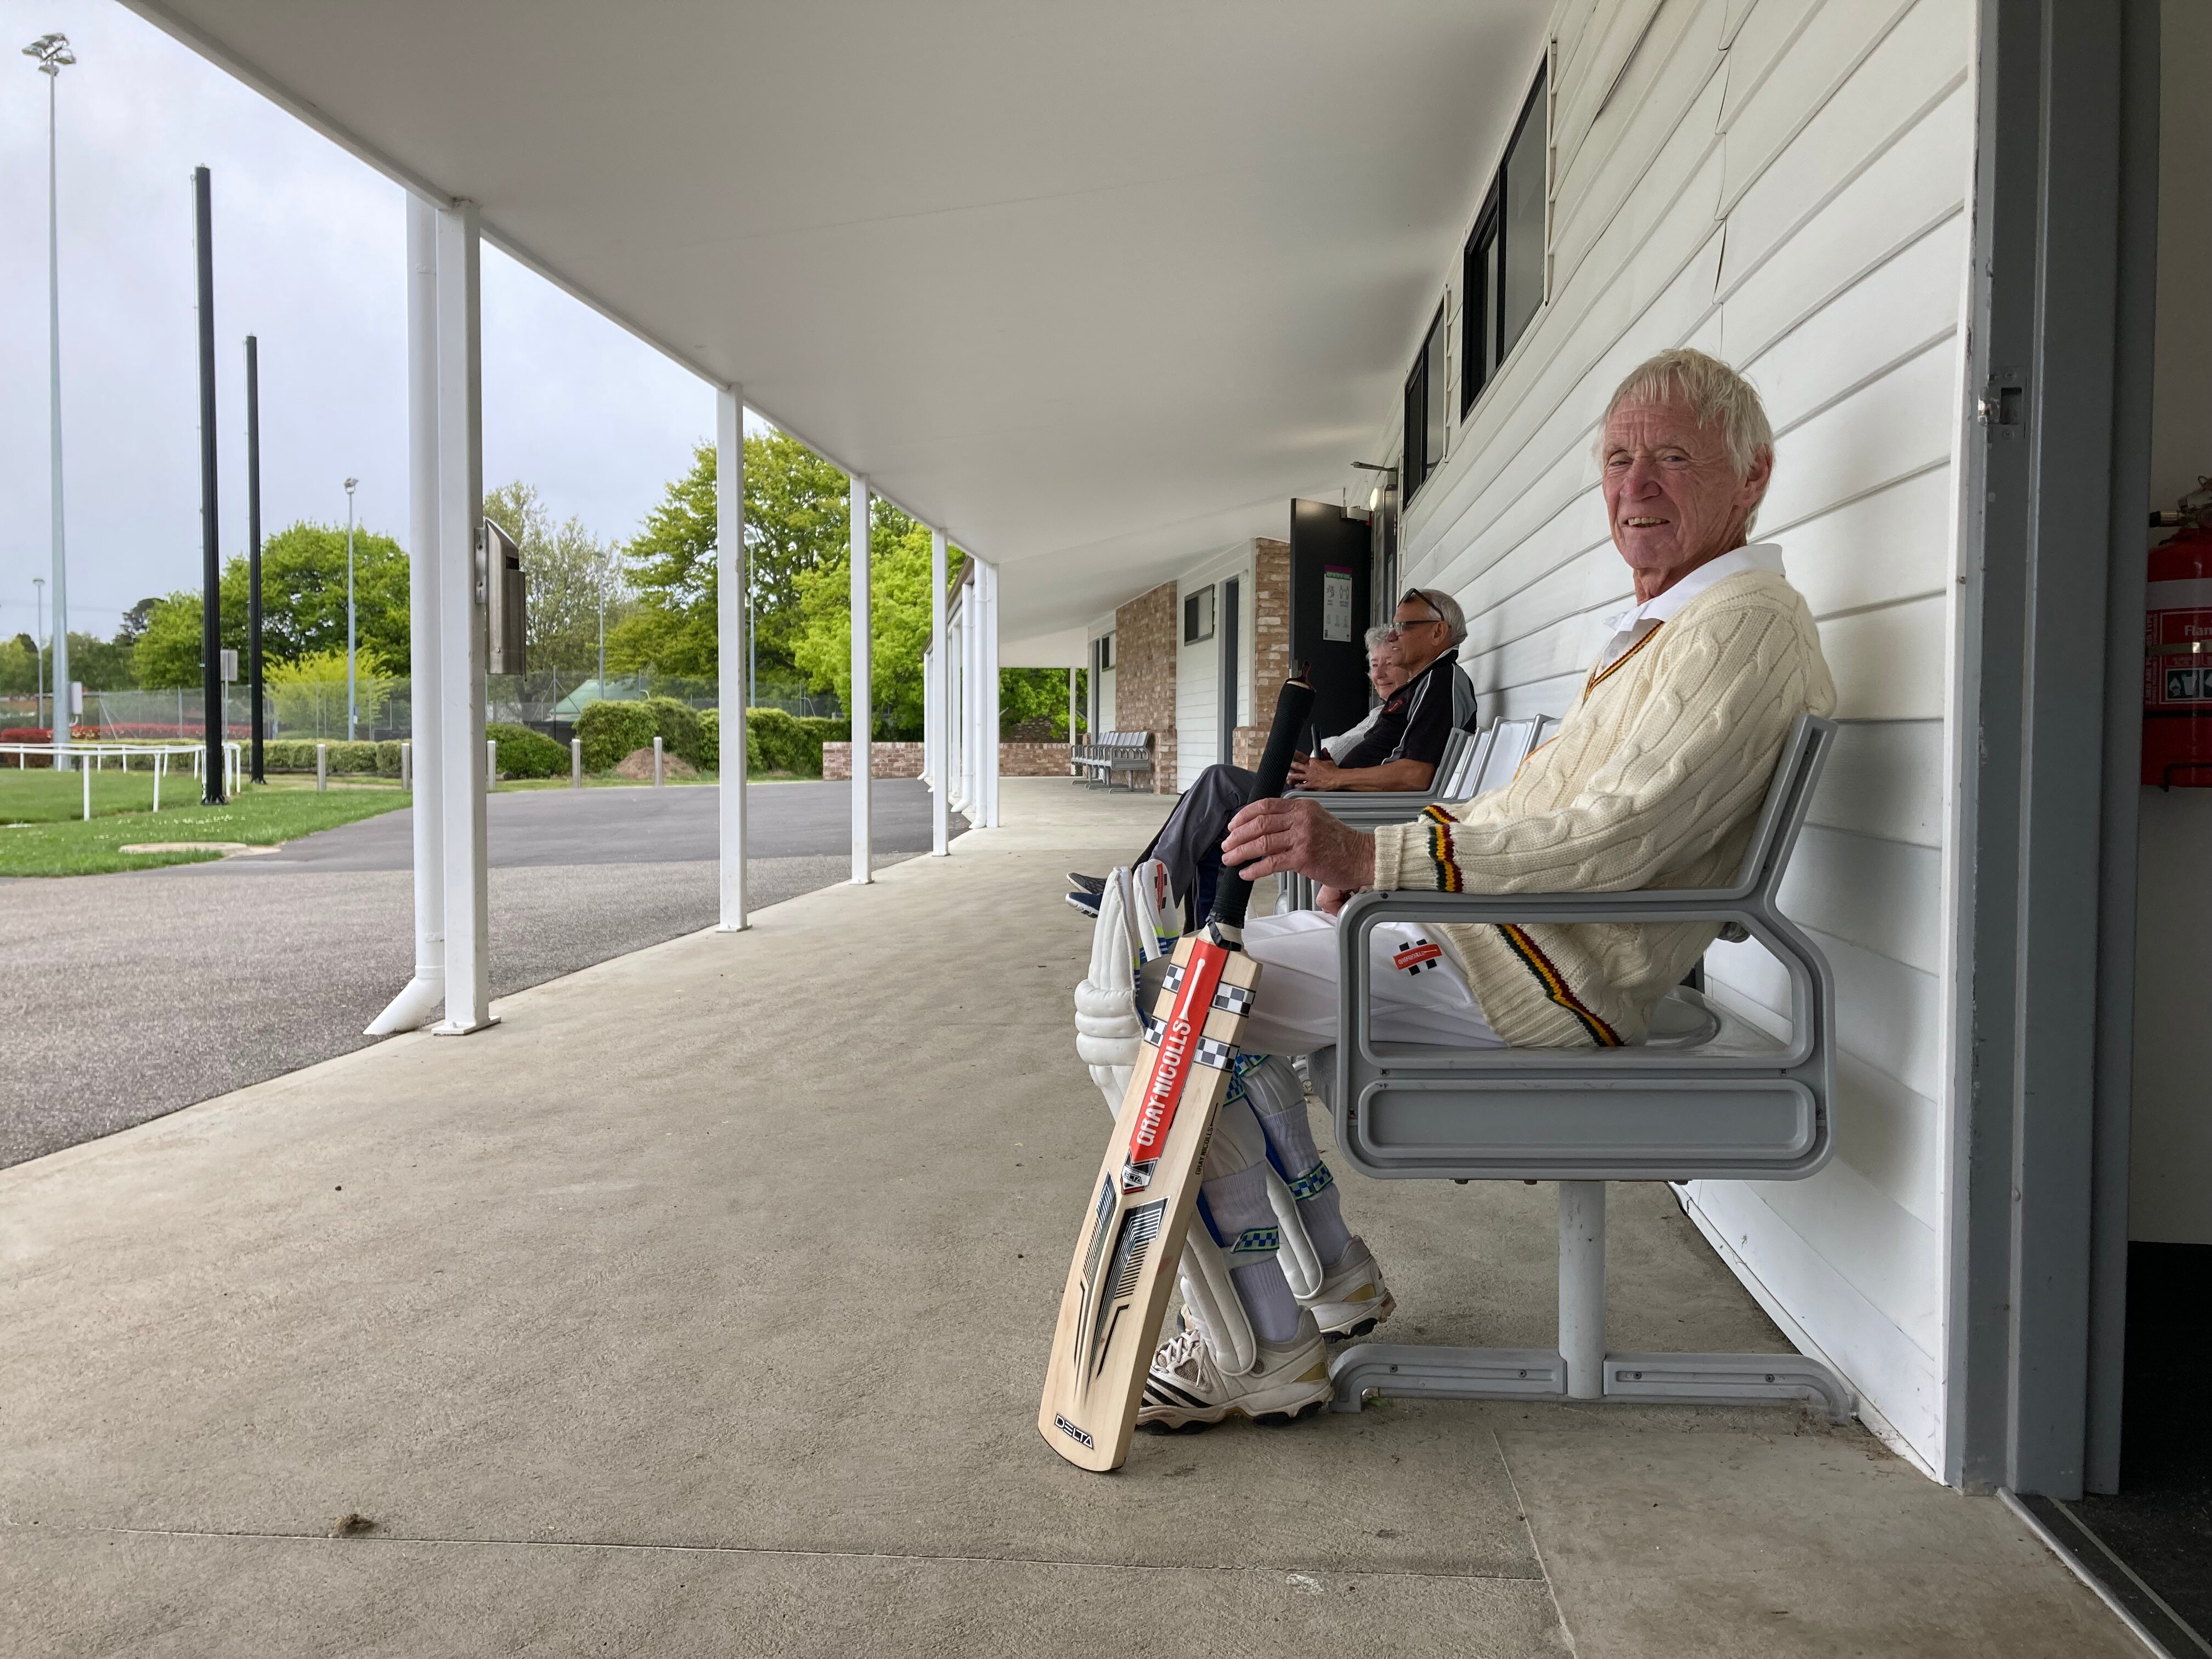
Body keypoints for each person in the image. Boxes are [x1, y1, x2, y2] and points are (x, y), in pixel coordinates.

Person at [1123, 346, 1838, 1429]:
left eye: (1673, 457)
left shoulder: (1739, 629)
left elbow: (1620, 838)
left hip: (1548, 978)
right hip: (1502, 942)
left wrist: (1377, 861)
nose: (1636, 485)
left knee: (1180, 1002)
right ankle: (1327, 1279)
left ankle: (1262, 1339)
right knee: (1191, 983)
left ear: (1754, 476)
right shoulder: (1676, 628)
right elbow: (1531, 814)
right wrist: (1380, 881)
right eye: (1618, 459)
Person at [1066, 594, 1476, 920]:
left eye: (1405, 627)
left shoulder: (1442, 683)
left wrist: (1335, 780)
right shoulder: (1423, 686)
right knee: (1210, 802)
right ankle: (1147, 896)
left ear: (1438, 632)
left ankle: (1142, 897)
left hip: (1353, 807)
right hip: (1339, 796)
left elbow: (1417, 775)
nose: (1396, 634)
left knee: (1219, 784)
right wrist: (1326, 772)